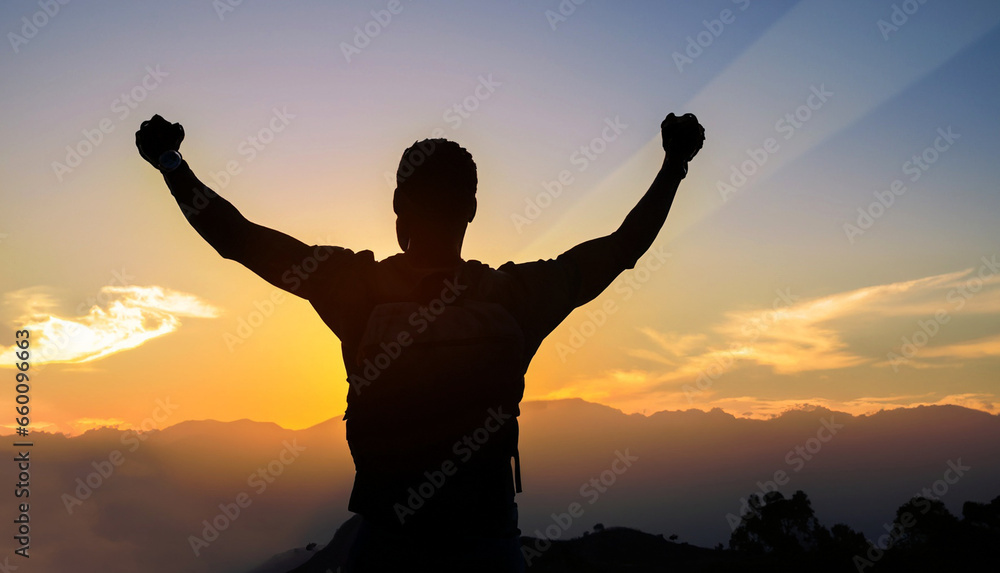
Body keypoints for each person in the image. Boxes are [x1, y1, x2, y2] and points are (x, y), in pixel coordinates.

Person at [136, 111, 704, 572]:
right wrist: (673, 166)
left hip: (389, 542)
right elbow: (623, 247)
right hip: (488, 542)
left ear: (399, 208)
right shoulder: (516, 297)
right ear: (472, 210)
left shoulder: (353, 288)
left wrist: (170, 162)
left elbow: (237, 238)